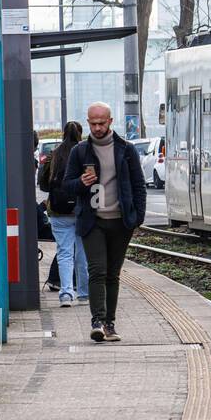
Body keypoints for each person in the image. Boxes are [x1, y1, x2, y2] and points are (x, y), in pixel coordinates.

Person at [62, 102, 147, 343]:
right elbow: (67, 185)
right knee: (97, 271)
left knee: (113, 273)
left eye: (101, 123)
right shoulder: (80, 151)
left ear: (110, 121)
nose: (97, 128)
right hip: (93, 221)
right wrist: (81, 182)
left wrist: (137, 216)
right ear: (87, 123)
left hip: (121, 221)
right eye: (93, 123)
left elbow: (138, 184)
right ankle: (97, 321)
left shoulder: (126, 149)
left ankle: (110, 323)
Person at [39, 121, 89, 308]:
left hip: (58, 211)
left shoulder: (54, 155)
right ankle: (83, 294)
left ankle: (66, 294)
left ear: (63, 134)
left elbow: (43, 184)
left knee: (64, 253)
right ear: (80, 134)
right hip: (81, 209)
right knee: (83, 254)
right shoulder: (86, 153)